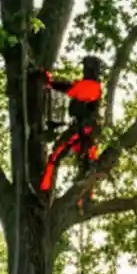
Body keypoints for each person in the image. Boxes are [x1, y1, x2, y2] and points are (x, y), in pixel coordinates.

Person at [38, 55, 104, 194]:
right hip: (79, 128)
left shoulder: (92, 86)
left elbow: (71, 89)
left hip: (85, 130)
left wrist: (50, 81)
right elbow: (70, 88)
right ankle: (45, 188)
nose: (84, 71)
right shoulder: (89, 86)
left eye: (86, 68)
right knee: (56, 155)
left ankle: (85, 195)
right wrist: (50, 81)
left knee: (87, 162)